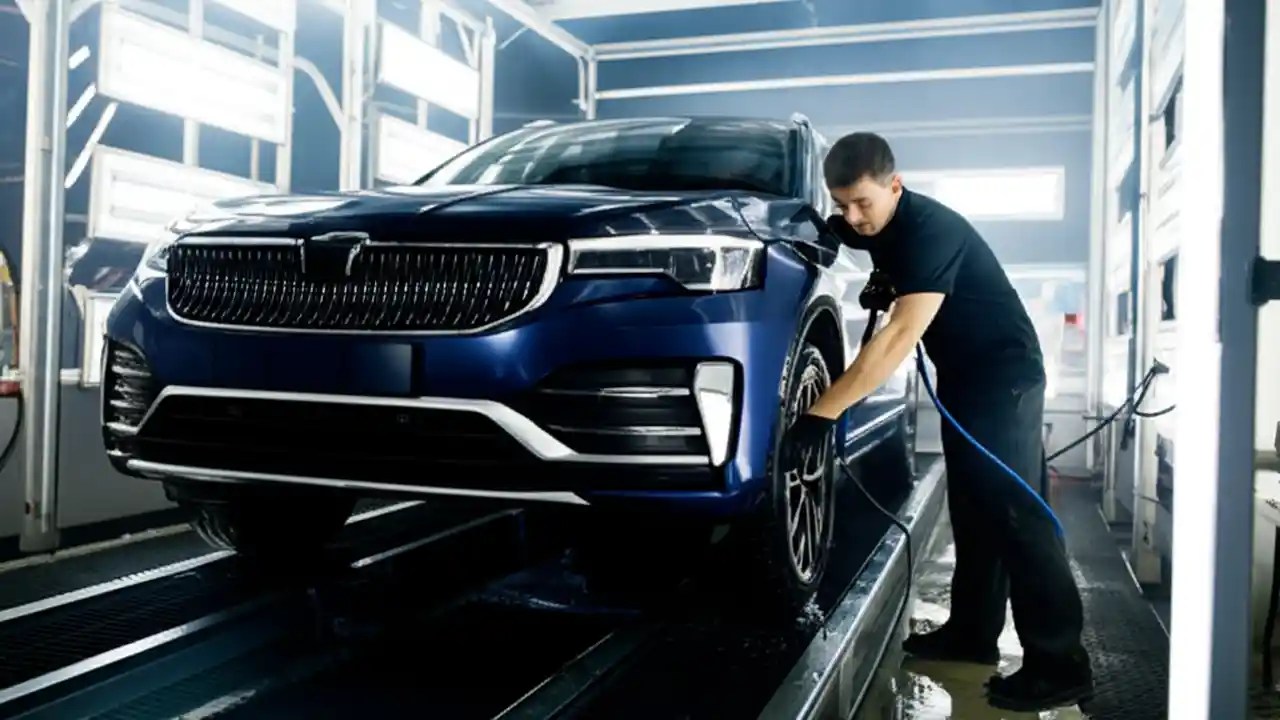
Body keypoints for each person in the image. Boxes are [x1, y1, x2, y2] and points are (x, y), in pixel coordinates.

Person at [782, 132, 1093, 712]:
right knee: (972, 510)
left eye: (863, 203)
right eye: (842, 203)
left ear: (895, 186)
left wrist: (822, 413)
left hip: (1004, 377)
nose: (854, 217)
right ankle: (972, 634)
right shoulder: (873, 223)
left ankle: (1060, 664)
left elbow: (899, 336)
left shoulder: (930, 229)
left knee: (1016, 515)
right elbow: (842, 232)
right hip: (964, 377)